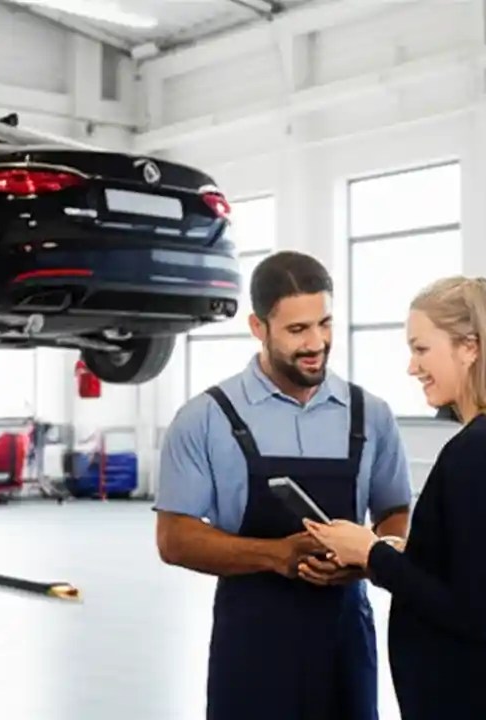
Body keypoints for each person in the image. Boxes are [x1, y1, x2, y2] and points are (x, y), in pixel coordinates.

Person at [155, 250, 414, 720]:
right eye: (298, 330)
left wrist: (366, 559)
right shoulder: (205, 419)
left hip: (345, 640)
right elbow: (174, 539)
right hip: (251, 646)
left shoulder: (371, 415)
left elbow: (396, 515)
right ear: (258, 327)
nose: (317, 342)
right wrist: (276, 555)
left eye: (325, 323)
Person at [304, 276, 486, 720]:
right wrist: (408, 552)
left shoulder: (478, 452)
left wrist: (370, 552)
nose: (412, 367)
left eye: (421, 349)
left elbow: (471, 612)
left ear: (470, 347)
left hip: (471, 700)